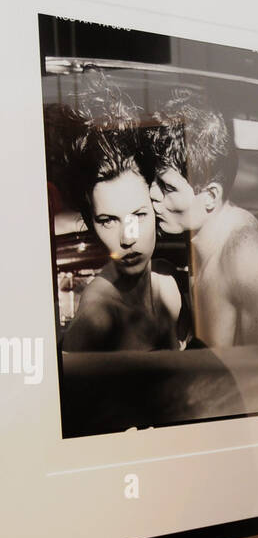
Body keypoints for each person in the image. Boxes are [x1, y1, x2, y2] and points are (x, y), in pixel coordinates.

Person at [148, 89, 258, 348]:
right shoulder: (202, 240)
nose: (152, 194)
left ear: (211, 196)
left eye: (167, 188)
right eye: (154, 181)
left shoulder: (245, 253)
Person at [56, 82, 185, 352]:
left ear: (155, 203)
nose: (128, 237)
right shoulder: (97, 318)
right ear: (90, 222)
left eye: (138, 214)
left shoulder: (168, 280)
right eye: (108, 220)